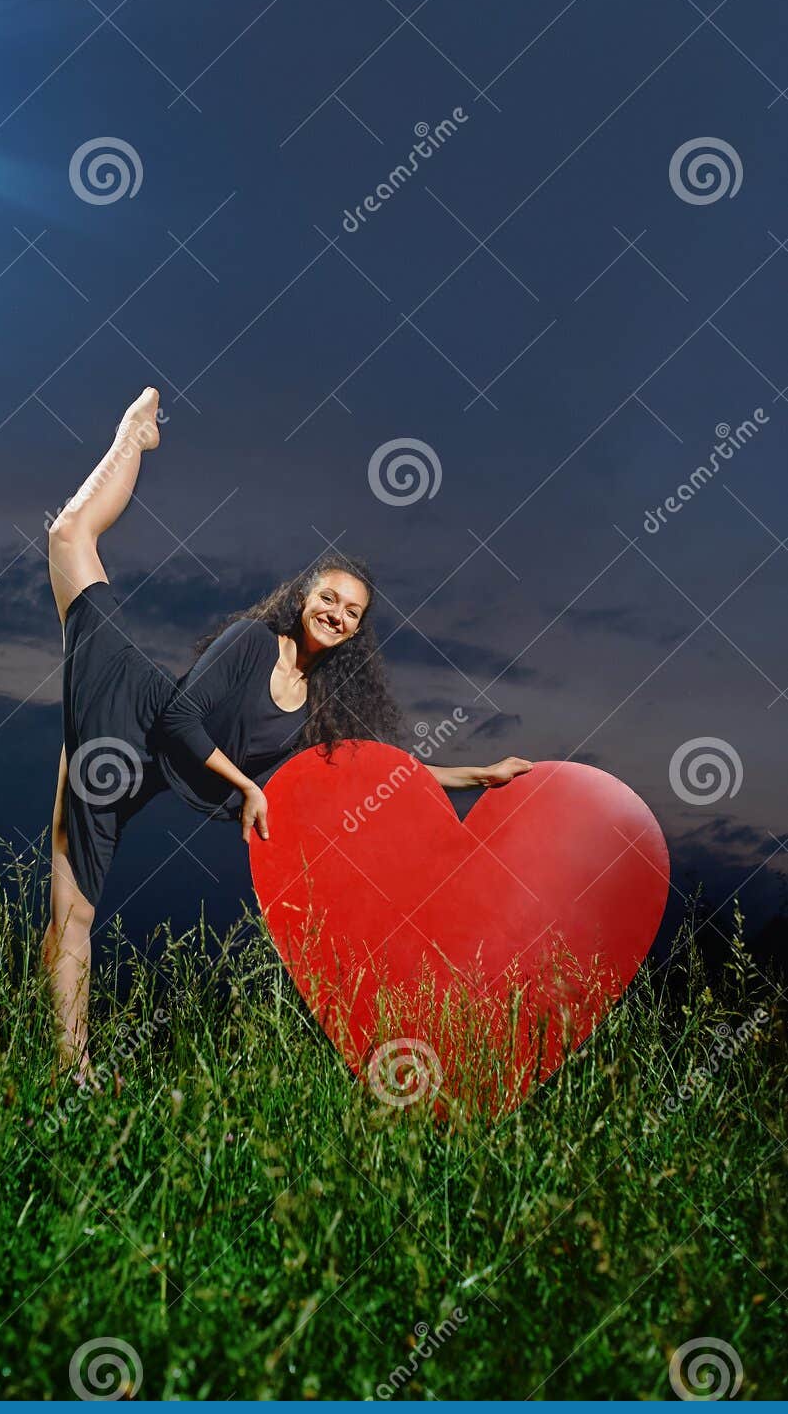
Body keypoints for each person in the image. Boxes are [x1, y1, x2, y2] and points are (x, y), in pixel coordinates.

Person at [43, 388, 532, 1073]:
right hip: (123, 720)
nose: (335, 612)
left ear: (357, 631)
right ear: (304, 599)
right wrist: (248, 786)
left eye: (350, 610)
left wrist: (475, 776)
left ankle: (74, 1073)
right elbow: (180, 718)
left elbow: (371, 773)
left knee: (76, 918)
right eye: (327, 596)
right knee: (68, 535)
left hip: (155, 771)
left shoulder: (314, 712)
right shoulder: (249, 641)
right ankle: (132, 439)